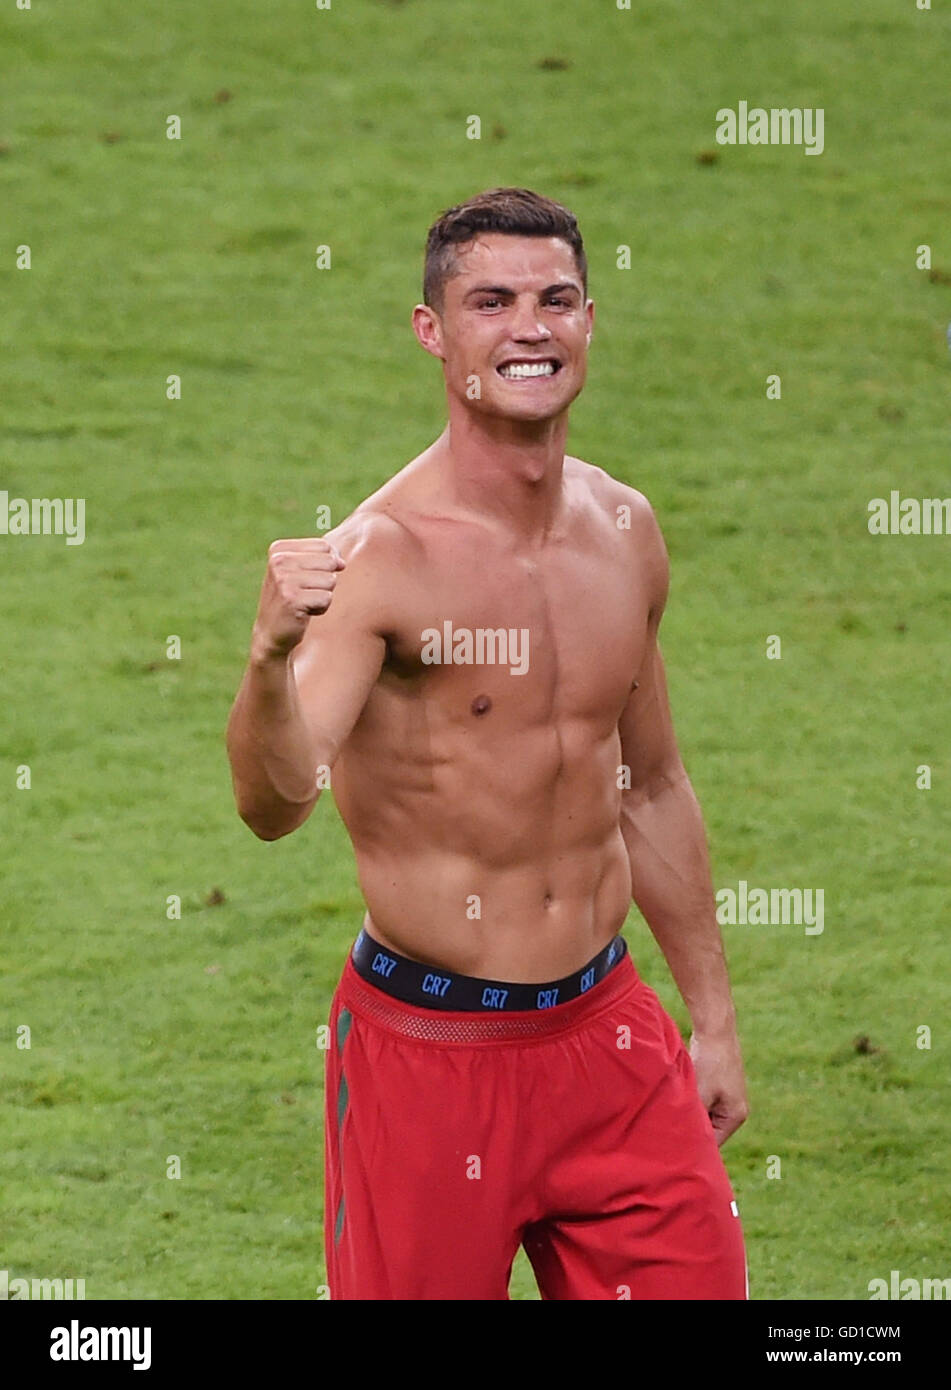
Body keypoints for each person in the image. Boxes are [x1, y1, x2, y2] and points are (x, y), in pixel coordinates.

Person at [226, 187, 749, 1301]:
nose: (530, 328)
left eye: (556, 299)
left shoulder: (625, 530)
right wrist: (268, 661)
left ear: (591, 322)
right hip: (431, 1060)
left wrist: (711, 1017)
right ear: (435, 331)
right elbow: (275, 803)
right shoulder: (380, 559)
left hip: (610, 1039)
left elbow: (650, 785)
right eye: (493, 301)